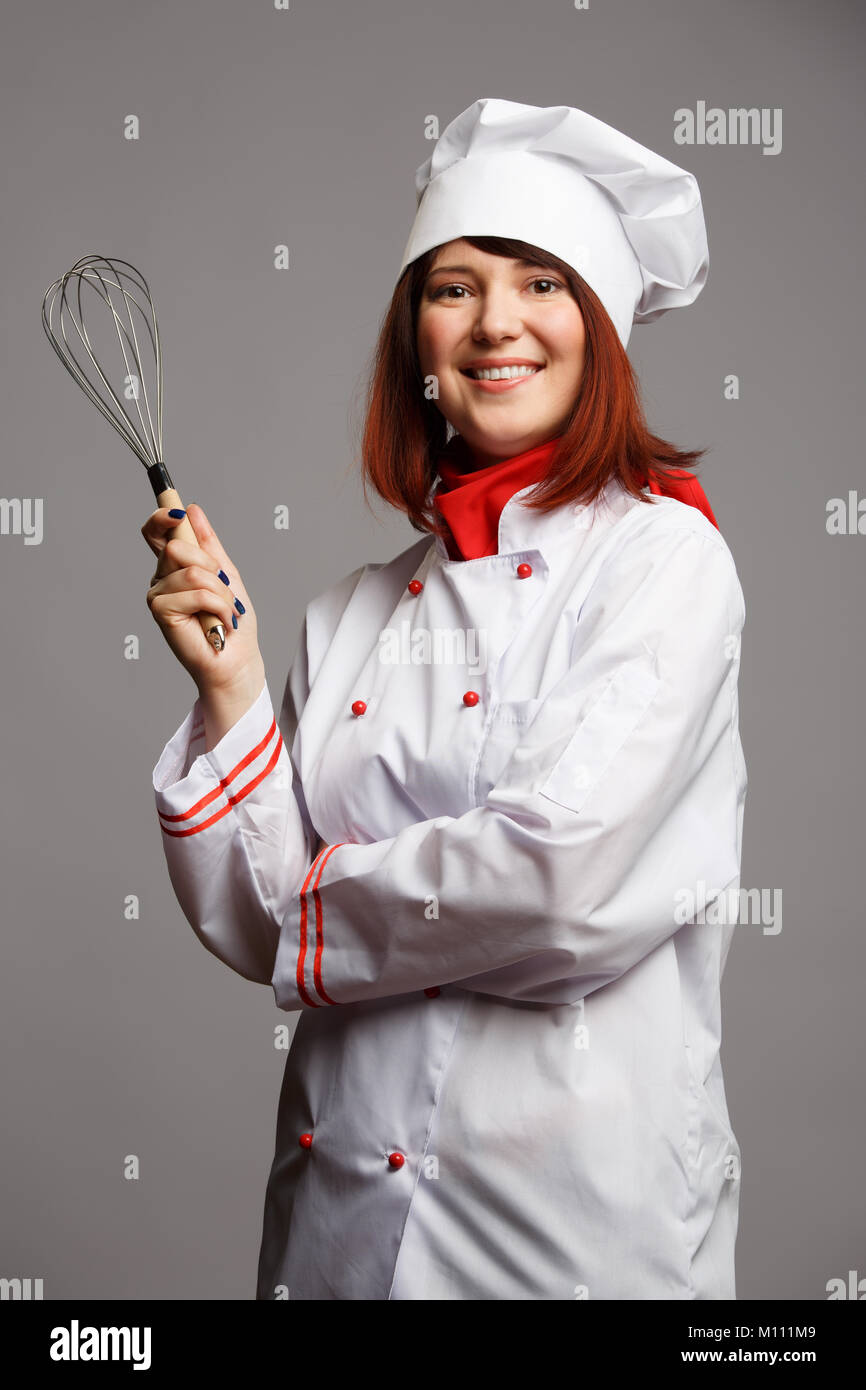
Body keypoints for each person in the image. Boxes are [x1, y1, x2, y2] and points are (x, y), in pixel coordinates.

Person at [143, 98, 747, 1300]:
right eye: (453, 288)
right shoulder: (349, 612)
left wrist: (324, 899)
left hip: (566, 1227)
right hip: (333, 1222)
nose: (495, 325)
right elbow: (264, 931)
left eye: (540, 284)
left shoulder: (661, 561)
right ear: (414, 342)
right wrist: (234, 693)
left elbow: (557, 886)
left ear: (600, 330)